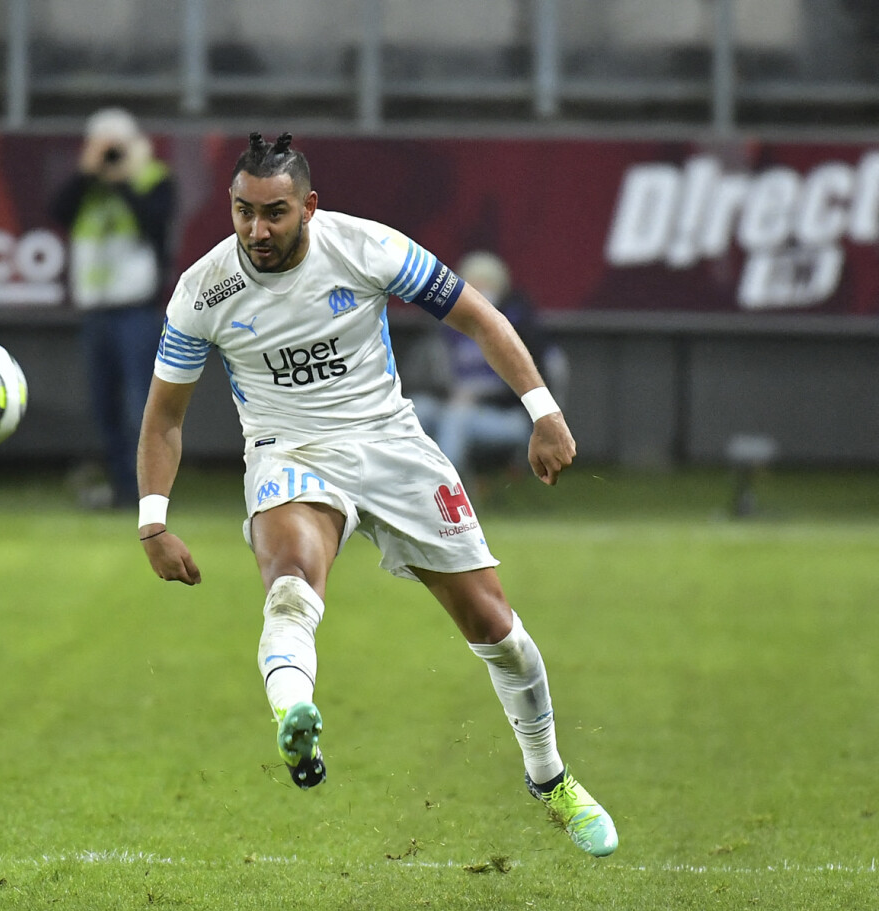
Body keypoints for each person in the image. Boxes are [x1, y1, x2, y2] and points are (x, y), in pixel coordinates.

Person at [135, 133, 617, 857]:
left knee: (497, 628)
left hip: (391, 445)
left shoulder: (366, 248)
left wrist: (543, 412)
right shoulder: (203, 289)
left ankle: (550, 779)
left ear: (310, 207)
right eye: (242, 213)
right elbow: (164, 417)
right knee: (292, 583)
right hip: (289, 453)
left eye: (274, 213)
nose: (256, 231)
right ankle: (295, 713)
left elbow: (478, 315)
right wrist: (153, 522)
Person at [49, 107, 176, 509]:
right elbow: (58, 211)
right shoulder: (86, 185)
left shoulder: (154, 179)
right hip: (96, 310)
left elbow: (155, 223)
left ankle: (150, 491)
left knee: (141, 404)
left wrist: (124, 182)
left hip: (136, 308)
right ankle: (124, 488)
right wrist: (89, 174)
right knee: (104, 404)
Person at [410, 251, 567, 488]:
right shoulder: (444, 327)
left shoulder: (518, 326)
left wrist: (478, 395)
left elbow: (539, 382)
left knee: (456, 419)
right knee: (416, 409)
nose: (479, 291)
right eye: (472, 285)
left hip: (507, 413)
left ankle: (440, 491)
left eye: (486, 285)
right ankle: (399, 486)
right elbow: (423, 377)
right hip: (453, 403)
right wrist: (451, 393)